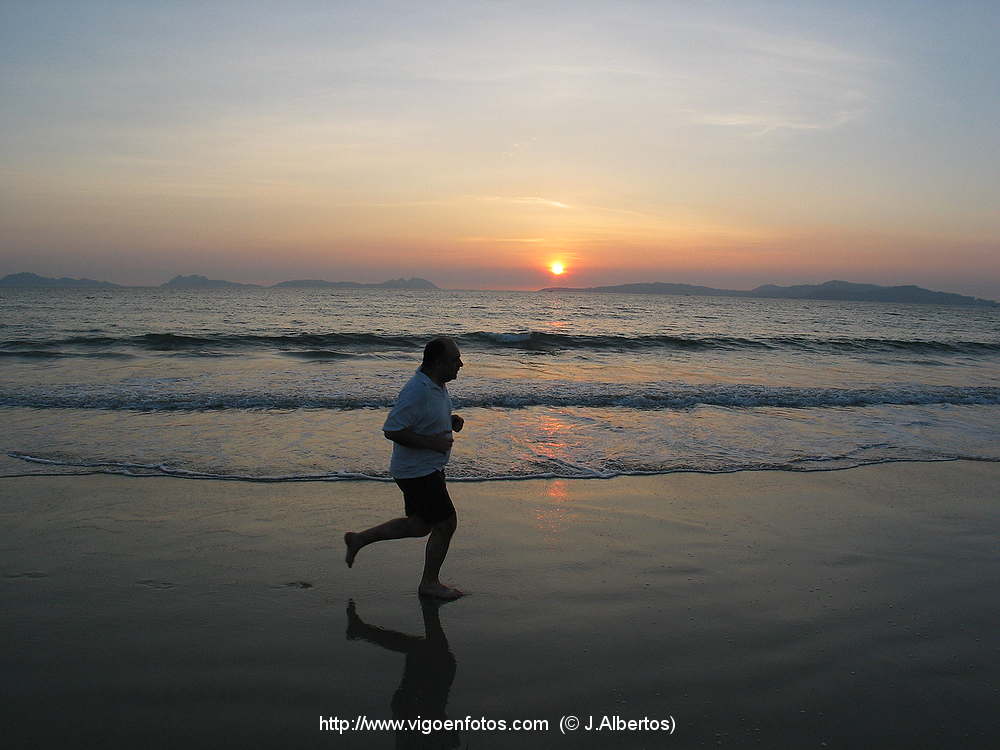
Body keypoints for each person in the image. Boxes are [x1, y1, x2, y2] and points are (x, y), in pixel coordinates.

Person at [344, 336, 465, 600]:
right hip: (418, 472)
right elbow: (393, 429)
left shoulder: (436, 385)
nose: (461, 364)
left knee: (420, 525)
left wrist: (449, 420)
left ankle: (359, 540)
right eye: (455, 359)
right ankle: (429, 583)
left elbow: (423, 417)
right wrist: (433, 443)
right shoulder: (417, 389)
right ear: (437, 362)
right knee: (446, 523)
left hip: (425, 469)